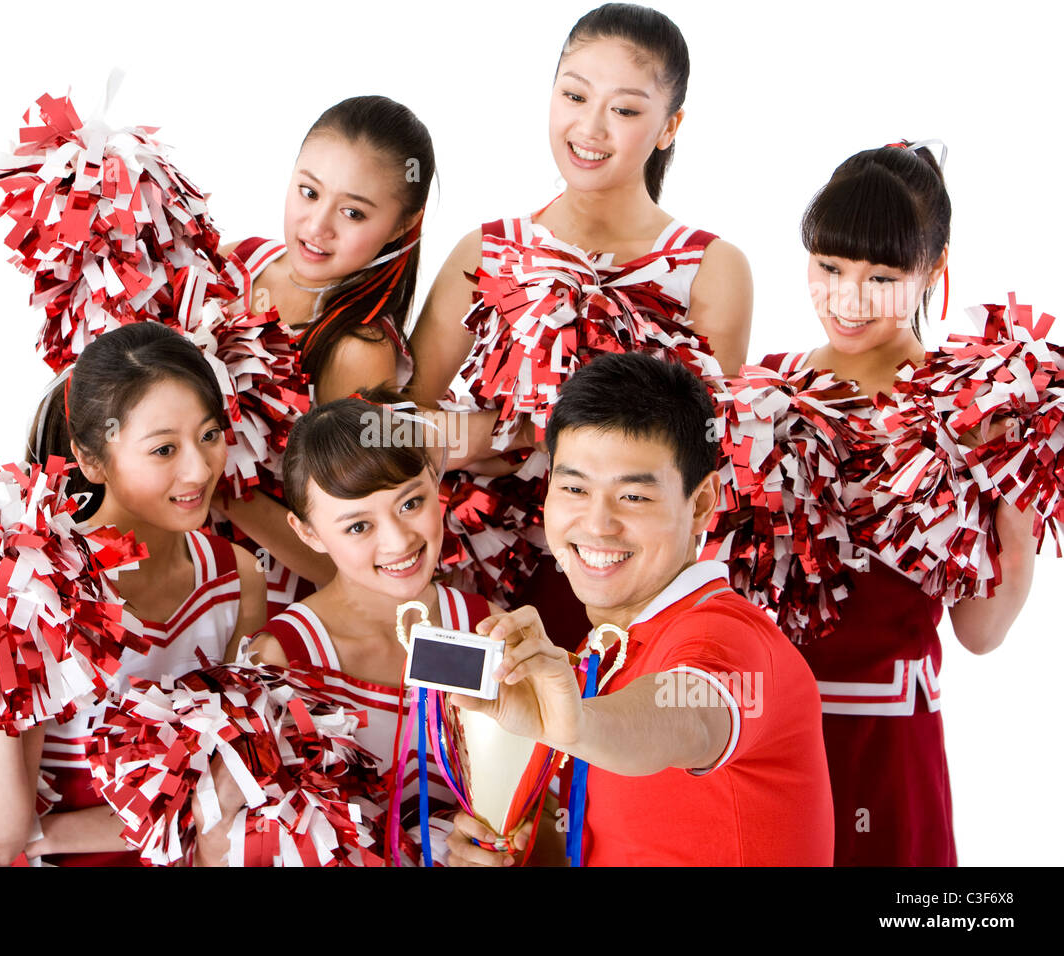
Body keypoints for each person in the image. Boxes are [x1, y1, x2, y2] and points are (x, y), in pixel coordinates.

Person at [405, 3, 752, 643]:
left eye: (624, 109)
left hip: (627, 583)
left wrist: (536, 440)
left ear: (670, 125)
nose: (590, 127)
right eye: (574, 95)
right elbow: (396, 428)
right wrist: (478, 436)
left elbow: (706, 456)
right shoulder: (485, 250)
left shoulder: (711, 267)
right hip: (477, 582)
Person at [748, 143, 1039, 865]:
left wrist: (1016, 504)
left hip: (887, 743)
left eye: (880, 276)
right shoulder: (760, 393)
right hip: (753, 735)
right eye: (829, 267)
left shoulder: (969, 412)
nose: (846, 299)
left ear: (933, 274)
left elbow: (980, 633)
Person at [446, 351, 834, 866]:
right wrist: (529, 855)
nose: (597, 524)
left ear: (699, 505)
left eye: (633, 497)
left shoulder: (731, 640)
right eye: (574, 488)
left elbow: (684, 716)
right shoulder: (598, 652)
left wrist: (576, 722)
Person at [0, 322, 266, 866]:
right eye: (163, 449)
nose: (198, 469)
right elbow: (3, 834)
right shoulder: (40, 593)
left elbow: (230, 791)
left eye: (210, 434)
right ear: (91, 459)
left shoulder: (237, 578)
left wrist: (60, 831)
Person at [222, 396, 506, 866]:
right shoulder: (283, 662)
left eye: (411, 502)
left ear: (436, 484)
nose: (398, 540)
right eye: (358, 526)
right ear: (308, 532)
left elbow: (544, 802)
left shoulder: (483, 626)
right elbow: (239, 846)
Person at [213, 95, 437, 616]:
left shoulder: (359, 350)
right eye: (308, 191)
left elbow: (341, 559)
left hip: (267, 594)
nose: (317, 226)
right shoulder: (231, 261)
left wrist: (215, 488)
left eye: (353, 211)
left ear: (404, 225)